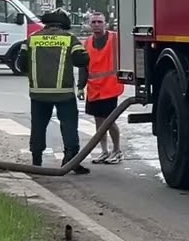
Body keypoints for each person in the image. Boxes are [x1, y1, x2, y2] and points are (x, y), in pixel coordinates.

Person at [15, 10, 91, 173]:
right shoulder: (69, 39)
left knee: (38, 126)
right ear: (64, 24)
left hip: (38, 93)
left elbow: (20, 65)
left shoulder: (32, 39)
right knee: (69, 126)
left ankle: (36, 161)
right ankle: (70, 160)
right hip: (64, 93)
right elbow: (82, 60)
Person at [77, 12, 124, 164]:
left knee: (109, 121)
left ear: (105, 24)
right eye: (94, 22)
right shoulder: (87, 43)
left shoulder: (115, 39)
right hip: (94, 89)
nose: (97, 24)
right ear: (89, 25)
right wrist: (80, 87)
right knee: (98, 121)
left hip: (110, 87)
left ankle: (117, 150)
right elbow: (84, 67)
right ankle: (104, 151)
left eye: (99, 22)